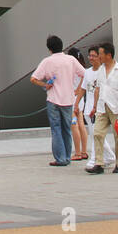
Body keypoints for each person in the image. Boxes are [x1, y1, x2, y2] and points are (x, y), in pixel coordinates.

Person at [30, 35, 85, 166]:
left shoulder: (47, 61)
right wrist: (77, 89)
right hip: (68, 99)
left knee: (56, 129)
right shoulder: (70, 59)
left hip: (53, 99)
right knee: (67, 128)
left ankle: (60, 158)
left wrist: (45, 85)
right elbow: (84, 74)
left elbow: (33, 78)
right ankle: (67, 156)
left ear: (49, 48)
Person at [86, 42, 118, 176]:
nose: (99, 56)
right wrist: (94, 106)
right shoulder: (100, 70)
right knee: (97, 133)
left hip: (116, 108)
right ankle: (99, 163)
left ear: (108, 55)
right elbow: (97, 89)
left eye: (100, 54)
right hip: (102, 107)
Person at [78, 46, 115, 171]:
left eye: (94, 55)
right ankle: (109, 156)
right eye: (90, 56)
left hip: (99, 109)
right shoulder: (87, 72)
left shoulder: (104, 72)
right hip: (88, 109)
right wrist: (77, 104)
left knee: (96, 135)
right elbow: (83, 89)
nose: (91, 58)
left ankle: (94, 159)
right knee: (96, 135)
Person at [66, 47, 88, 162]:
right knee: (81, 124)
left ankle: (78, 153)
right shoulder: (82, 66)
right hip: (80, 100)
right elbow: (85, 76)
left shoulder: (72, 67)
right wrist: (80, 89)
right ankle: (84, 152)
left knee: (74, 125)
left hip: (73, 99)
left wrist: (77, 89)